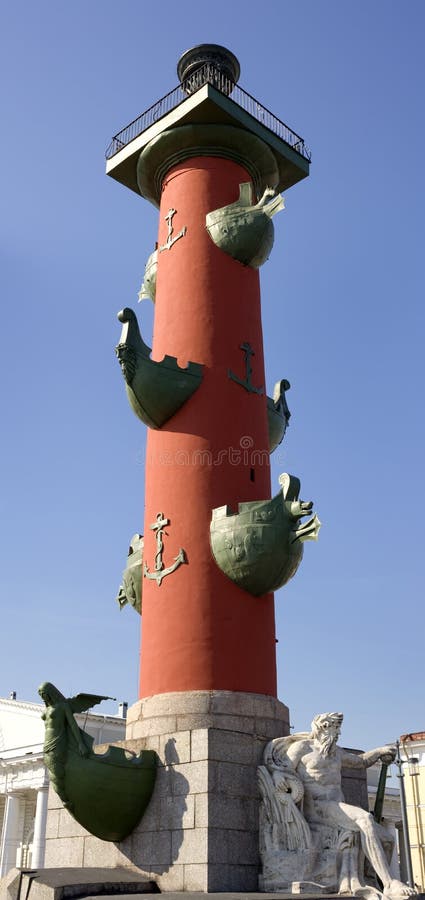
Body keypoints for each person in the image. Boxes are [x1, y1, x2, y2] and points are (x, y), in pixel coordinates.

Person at [285, 712, 411, 900]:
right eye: (335, 728)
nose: (338, 733)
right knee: (365, 818)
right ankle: (390, 884)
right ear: (322, 727)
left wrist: (379, 751)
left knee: (387, 838)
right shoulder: (301, 748)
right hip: (318, 807)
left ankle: (372, 881)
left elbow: (360, 762)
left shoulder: (336, 752)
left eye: (338, 728)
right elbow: (281, 770)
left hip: (337, 807)